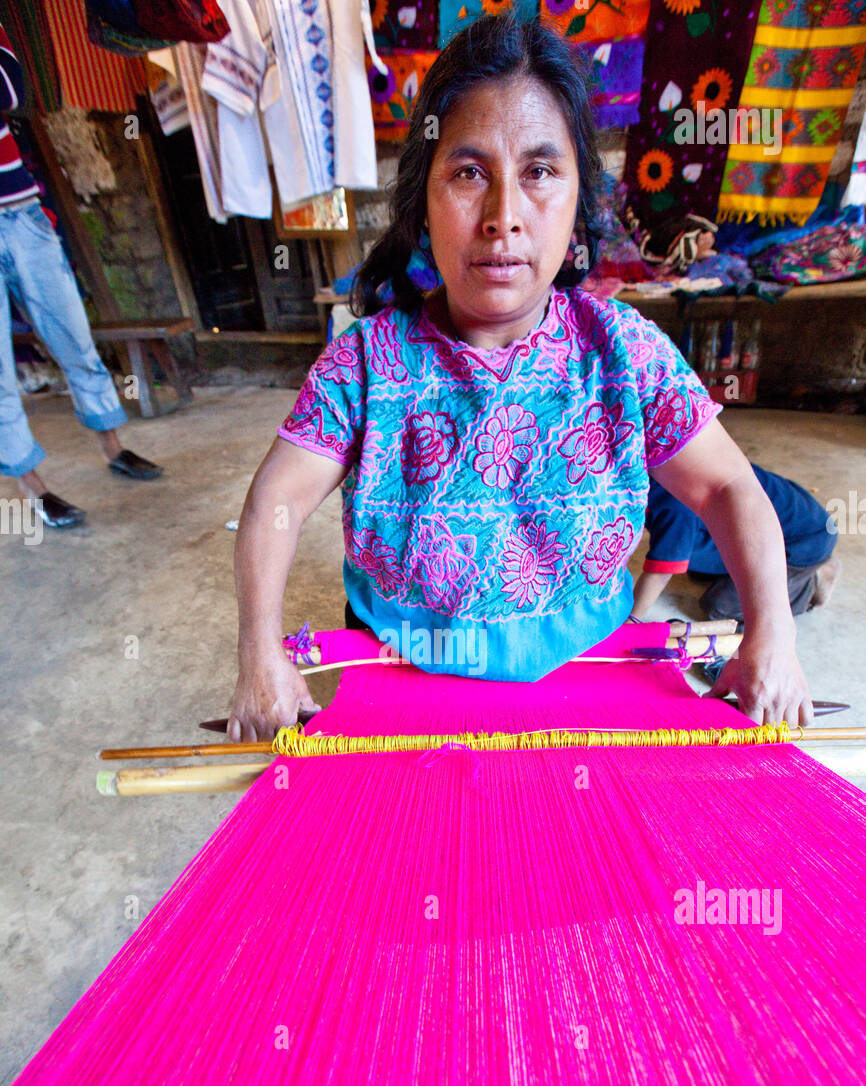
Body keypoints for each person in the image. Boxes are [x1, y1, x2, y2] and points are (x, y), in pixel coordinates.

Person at [228, 12, 813, 742]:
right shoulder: (365, 362)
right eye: (469, 173)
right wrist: (257, 649)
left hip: (586, 670)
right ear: (423, 200)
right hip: (403, 667)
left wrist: (773, 632)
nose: (503, 217)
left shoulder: (627, 355)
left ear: (577, 202)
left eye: (539, 172)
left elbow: (728, 488)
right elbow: (277, 500)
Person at [0, 25, 161, 529]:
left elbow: (10, 91)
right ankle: (35, 491)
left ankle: (114, 448)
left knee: (75, 340)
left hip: (21, 211)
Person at [632, 467, 841, 621]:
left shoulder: (672, 498)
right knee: (693, 560)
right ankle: (738, 570)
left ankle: (811, 581)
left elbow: (660, 571)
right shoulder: (658, 470)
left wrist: (631, 620)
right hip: (775, 518)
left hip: (803, 540)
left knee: (721, 608)